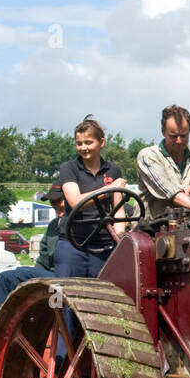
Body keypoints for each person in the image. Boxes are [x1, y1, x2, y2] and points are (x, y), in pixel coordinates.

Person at [0, 186, 63, 330]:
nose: (55, 203)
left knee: (5, 278)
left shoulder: (70, 223)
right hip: (52, 275)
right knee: (16, 276)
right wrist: (34, 284)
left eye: (59, 200)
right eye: (52, 201)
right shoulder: (54, 225)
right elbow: (43, 259)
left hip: (64, 275)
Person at [55, 119, 126, 278]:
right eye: (79, 143)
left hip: (103, 246)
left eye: (88, 142)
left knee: (103, 296)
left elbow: (118, 210)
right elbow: (75, 202)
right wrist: (109, 188)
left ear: (101, 142)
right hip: (72, 244)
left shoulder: (113, 170)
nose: (83, 148)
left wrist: (120, 236)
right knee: (62, 296)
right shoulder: (69, 168)